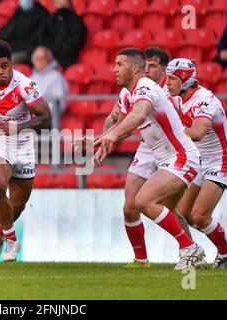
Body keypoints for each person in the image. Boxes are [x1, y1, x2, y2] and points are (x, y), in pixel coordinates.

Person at [94, 48, 205, 270]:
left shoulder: (146, 87)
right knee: (132, 205)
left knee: (144, 201)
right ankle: (143, 260)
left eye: (119, 64)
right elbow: (120, 122)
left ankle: (190, 248)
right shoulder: (128, 92)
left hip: (181, 156)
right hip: (161, 155)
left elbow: (139, 115)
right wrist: (104, 140)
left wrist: (112, 136)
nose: (114, 69)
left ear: (135, 68)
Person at [0, 40, 51, 262]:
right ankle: (11, 239)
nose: (0, 71)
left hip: (23, 143)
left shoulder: (25, 85)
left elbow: (46, 120)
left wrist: (16, 127)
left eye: (4, 66)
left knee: (18, 205)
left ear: (11, 64)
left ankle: (0, 229)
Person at [167, 58, 227, 268]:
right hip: (200, 161)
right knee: (185, 214)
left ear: (184, 80)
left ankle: (226, 255)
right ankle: (223, 238)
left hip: (220, 161)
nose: (167, 83)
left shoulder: (206, 100)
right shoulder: (179, 97)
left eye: (172, 79)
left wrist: (173, 135)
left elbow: (198, 132)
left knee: (199, 215)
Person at [34, 0, 87, 69]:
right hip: (46, 57)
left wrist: (51, 51)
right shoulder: (50, 20)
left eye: (64, 4)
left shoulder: (77, 22)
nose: (61, 6)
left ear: (70, 5)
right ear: (54, 5)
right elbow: (40, 39)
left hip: (64, 61)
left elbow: (73, 46)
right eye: (59, 4)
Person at [0, 0, 50, 65]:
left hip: (28, 52)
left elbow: (38, 41)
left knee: (7, 61)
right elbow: (2, 34)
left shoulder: (42, 14)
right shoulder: (19, 12)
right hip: (12, 48)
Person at [30, 46, 68, 129]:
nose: (40, 62)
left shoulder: (56, 77)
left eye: (43, 58)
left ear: (48, 60)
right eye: (37, 58)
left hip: (49, 121)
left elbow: (61, 104)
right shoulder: (30, 78)